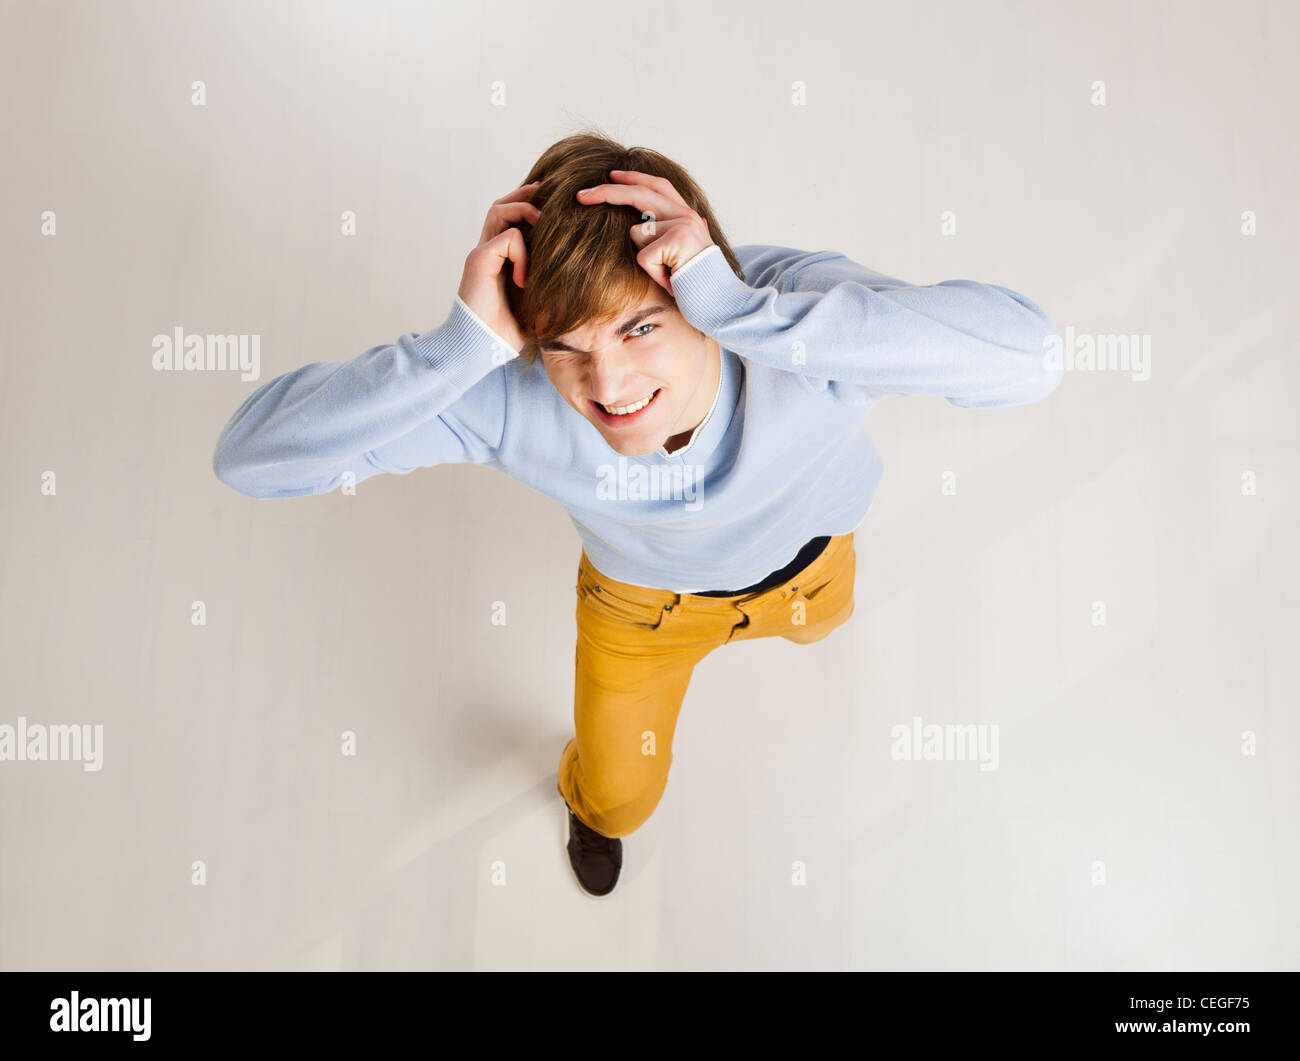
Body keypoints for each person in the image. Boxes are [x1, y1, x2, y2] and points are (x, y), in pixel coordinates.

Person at [212, 130, 1064, 898]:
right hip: (641, 611)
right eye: (569, 348)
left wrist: (741, 314)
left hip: (813, 566)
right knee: (618, 793)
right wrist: (457, 348)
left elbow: (1031, 358)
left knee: (823, 623)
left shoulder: (787, 311)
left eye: (641, 328)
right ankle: (596, 807)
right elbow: (251, 460)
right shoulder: (508, 393)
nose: (609, 390)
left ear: (695, 290)